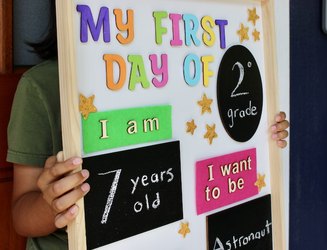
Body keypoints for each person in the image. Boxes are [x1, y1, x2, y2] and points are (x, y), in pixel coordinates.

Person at [7, 1, 290, 249]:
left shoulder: (185, 67)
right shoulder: (41, 86)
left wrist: (258, 133)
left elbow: (204, 141)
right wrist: (50, 204)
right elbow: (21, 216)